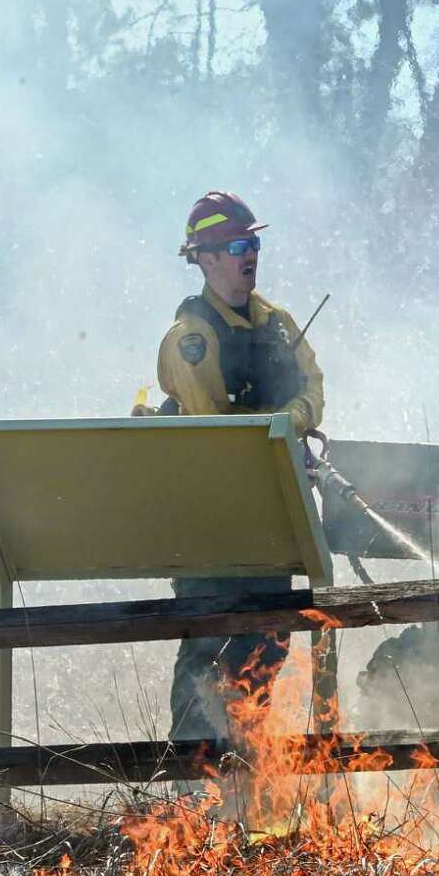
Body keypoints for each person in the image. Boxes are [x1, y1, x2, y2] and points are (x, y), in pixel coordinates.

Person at [140, 190, 326, 742]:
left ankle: (246, 760)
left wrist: (293, 418)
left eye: (254, 244)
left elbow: (313, 386)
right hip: (210, 518)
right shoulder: (191, 338)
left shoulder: (278, 321)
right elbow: (213, 430)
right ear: (207, 259)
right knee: (207, 644)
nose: (252, 255)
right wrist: (275, 425)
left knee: (267, 640)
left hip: (271, 511)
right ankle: (192, 774)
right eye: (240, 246)